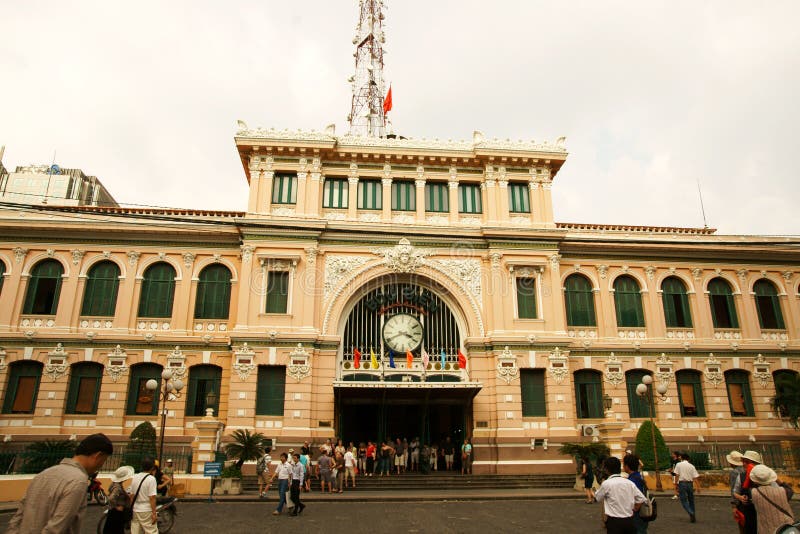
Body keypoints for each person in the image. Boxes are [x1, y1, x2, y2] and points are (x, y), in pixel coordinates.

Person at [8, 433, 113, 534]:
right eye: (103, 460)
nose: (100, 465)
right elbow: (57, 528)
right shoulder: (78, 481)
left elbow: (18, 517)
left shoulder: (43, 474)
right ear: (98, 456)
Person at [595, 456, 647, 534]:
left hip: (614, 521)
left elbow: (598, 498)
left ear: (606, 469)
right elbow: (641, 498)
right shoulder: (629, 482)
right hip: (629, 520)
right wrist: (634, 509)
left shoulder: (607, 483)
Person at [748, 464, 794, 533]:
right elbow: (790, 489)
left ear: (755, 481)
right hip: (785, 529)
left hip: (766, 530)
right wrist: (777, 479)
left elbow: (749, 485)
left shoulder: (753, 493)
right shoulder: (783, 491)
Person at [733, 450, 764, 534]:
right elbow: (735, 491)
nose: (744, 464)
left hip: (763, 511)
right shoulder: (741, 475)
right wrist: (740, 498)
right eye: (743, 461)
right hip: (747, 511)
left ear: (755, 464)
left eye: (746, 462)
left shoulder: (764, 476)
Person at [128, 457, 159, 534]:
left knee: (136, 531)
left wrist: (131, 508)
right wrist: (154, 513)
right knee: (151, 531)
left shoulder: (135, 477)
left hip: (135, 508)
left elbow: (132, 495)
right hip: (146, 509)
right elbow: (152, 498)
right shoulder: (151, 479)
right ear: (152, 467)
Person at [103, 465, 135, 534]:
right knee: (117, 530)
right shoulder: (117, 488)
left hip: (113, 512)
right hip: (116, 513)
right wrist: (117, 507)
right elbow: (111, 498)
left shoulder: (115, 484)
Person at [623, 454, 648, 534]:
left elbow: (639, 498)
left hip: (637, 514)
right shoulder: (638, 476)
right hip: (641, 513)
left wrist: (635, 509)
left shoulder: (632, 480)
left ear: (627, 466)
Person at [673, 452, 701, 523]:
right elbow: (695, 477)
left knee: (684, 500)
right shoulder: (692, 466)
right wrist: (698, 487)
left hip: (682, 483)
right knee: (691, 500)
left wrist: (676, 484)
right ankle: (693, 514)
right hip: (690, 484)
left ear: (681, 458)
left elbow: (677, 475)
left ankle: (690, 512)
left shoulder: (678, 464)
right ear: (688, 459)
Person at [726, 450, 745, 534]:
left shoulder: (734, 472)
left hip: (740, 499)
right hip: (749, 497)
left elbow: (734, 489)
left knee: (742, 523)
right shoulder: (746, 469)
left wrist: (734, 505)